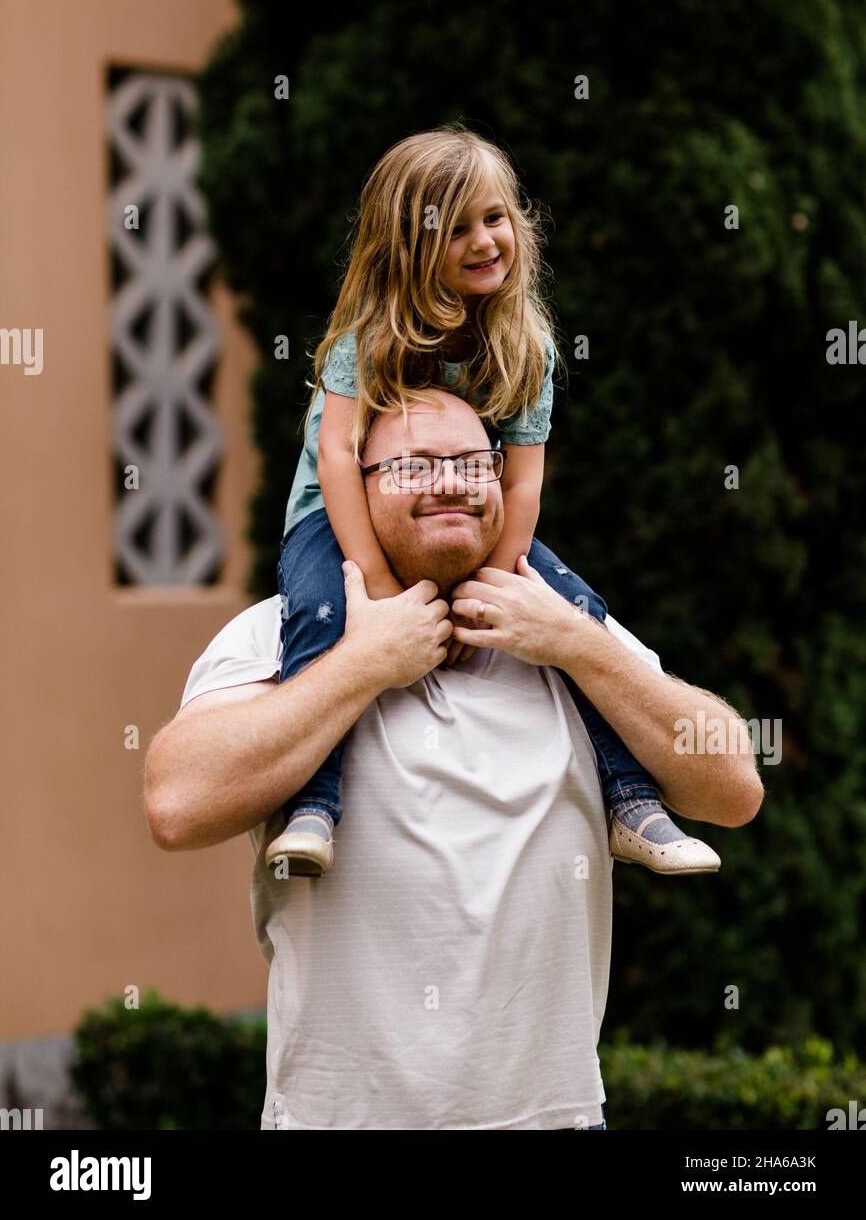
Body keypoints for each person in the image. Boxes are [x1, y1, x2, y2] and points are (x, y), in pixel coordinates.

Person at [144, 390, 764, 1131]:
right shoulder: (280, 636)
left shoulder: (565, 633)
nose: (450, 483)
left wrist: (575, 643)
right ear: (353, 488)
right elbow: (177, 805)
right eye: (412, 465)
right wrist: (362, 665)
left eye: (474, 463)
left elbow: (734, 789)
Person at [270, 123, 720, 877]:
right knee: (322, 613)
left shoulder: (522, 344)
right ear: (408, 247)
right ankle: (312, 807)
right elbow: (339, 460)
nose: (485, 241)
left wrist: (501, 577)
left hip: (478, 520)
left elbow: (522, 480)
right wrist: (375, 581)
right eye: (457, 230)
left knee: (574, 612)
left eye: (496, 218)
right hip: (338, 513)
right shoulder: (369, 338)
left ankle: (631, 800)